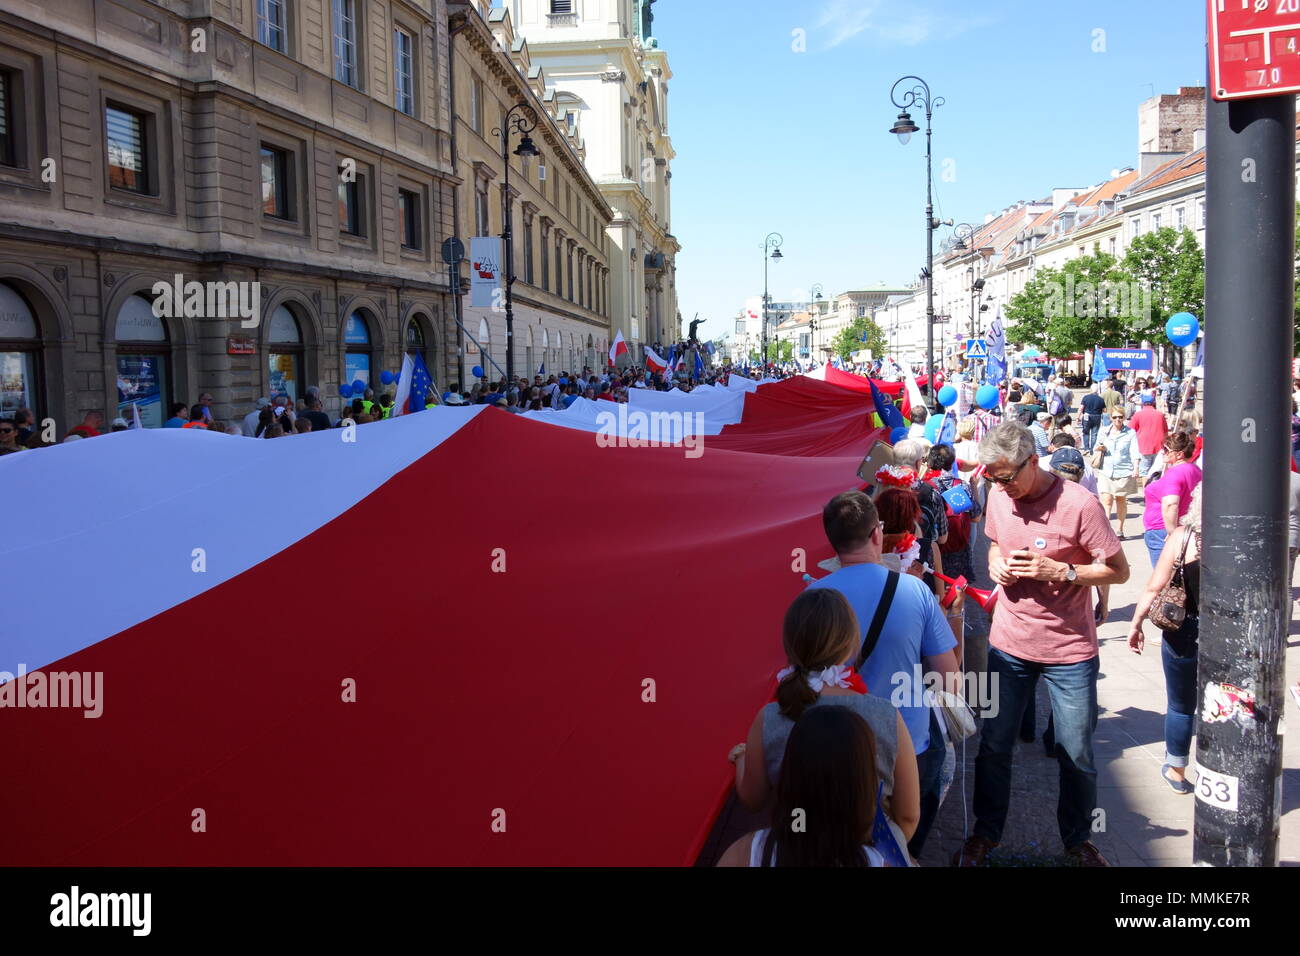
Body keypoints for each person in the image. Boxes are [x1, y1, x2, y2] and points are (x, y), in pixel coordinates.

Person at [954, 422, 1129, 868]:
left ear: (1033, 460)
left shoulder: (1080, 504)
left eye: (1007, 476)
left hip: (1069, 650)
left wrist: (1065, 573)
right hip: (1009, 643)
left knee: (1077, 753)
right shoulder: (997, 495)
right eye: (992, 477)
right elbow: (994, 544)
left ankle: (1078, 841)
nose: (999, 485)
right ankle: (985, 834)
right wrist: (995, 565)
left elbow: (1119, 571)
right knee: (994, 745)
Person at [808, 491, 959, 858]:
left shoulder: (810, 596)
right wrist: (954, 614)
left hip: (832, 745)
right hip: (906, 742)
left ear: (832, 539)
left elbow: (800, 677)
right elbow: (951, 681)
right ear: (876, 533)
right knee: (900, 836)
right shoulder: (914, 590)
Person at [729, 589, 919, 849]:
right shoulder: (887, 715)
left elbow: (753, 800)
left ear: (790, 645)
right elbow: (908, 815)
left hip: (795, 850)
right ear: (852, 643)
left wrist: (741, 756)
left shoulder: (770, 717)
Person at [721, 706, 892, 867]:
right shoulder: (880, 861)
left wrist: (741, 757)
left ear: (790, 773)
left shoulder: (743, 854)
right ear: (863, 786)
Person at [1126, 485, 1202, 794]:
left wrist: (1136, 623)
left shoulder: (1183, 537)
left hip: (1185, 629)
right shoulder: (1248, 539)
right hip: (1231, 633)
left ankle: (1177, 769)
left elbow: (1154, 587)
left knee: (1182, 705)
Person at [1140, 431, 1201, 567]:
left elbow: (1171, 504)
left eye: (1166, 450)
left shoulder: (1174, 473)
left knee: (1164, 577)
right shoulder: (1195, 470)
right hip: (1184, 528)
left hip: (1162, 531)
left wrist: (1172, 533)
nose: (1163, 452)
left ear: (1179, 454)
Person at [1092, 407, 1140, 538]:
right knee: (1106, 500)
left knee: (1120, 500)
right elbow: (1095, 446)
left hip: (1123, 470)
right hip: (1106, 470)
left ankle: (1119, 529)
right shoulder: (1104, 431)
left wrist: (1136, 467)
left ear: (1124, 417)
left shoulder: (1130, 433)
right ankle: (1106, 529)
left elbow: (1135, 451)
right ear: (1110, 418)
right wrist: (1099, 448)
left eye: (1120, 417)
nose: (1117, 420)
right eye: (1114, 417)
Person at [1130, 394, 1168, 488]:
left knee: (1145, 472)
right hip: (1159, 446)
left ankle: (1147, 495)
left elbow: (1130, 430)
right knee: (1157, 471)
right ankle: (1156, 492)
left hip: (1143, 446)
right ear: (1153, 402)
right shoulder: (1160, 414)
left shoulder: (1138, 415)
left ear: (1142, 403)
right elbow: (1166, 431)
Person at [1078, 384, 1104, 452]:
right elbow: (1104, 410)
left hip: (1087, 416)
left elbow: (1081, 408)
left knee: (1086, 432)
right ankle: (1092, 449)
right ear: (1097, 390)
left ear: (1091, 389)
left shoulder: (1086, 397)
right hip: (1097, 416)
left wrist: (1078, 417)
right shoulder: (1101, 399)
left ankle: (1086, 448)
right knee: (1094, 434)